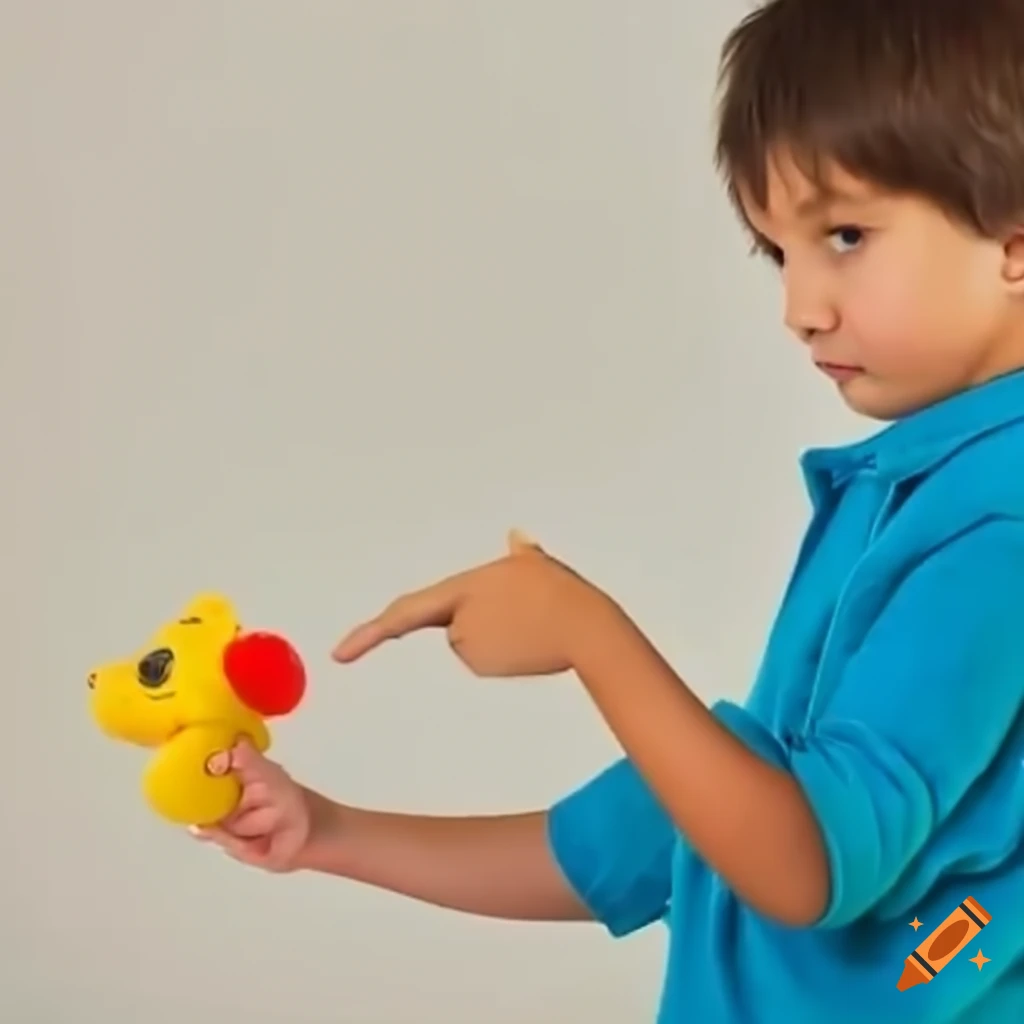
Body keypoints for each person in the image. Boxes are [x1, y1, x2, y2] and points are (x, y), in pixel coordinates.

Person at [193, 1, 1024, 1020]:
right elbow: (667, 835)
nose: (799, 309)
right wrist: (328, 832)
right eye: (778, 253)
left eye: (845, 236)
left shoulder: (994, 531)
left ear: (1013, 244)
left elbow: (806, 862)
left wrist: (588, 633)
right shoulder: (915, 494)